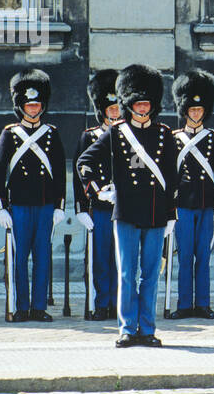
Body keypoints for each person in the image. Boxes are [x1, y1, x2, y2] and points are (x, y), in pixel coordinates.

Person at [76, 64, 178, 348]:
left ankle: (147, 328)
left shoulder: (164, 133)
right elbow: (85, 162)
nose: (142, 107)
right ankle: (127, 329)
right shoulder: (118, 132)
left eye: (146, 103)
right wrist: (99, 190)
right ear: (128, 104)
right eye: (137, 103)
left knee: (150, 274)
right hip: (127, 212)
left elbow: (172, 177)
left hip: (157, 212)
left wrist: (172, 214)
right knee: (126, 273)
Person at [0, 69, 66, 323]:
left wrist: (59, 205)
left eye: (36, 105)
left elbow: (59, 171)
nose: (33, 109)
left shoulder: (51, 133)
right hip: (18, 206)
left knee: (42, 258)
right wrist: (0, 206)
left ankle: (39, 306)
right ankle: (20, 306)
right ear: (21, 107)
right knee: (18, 259)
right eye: (28, 105)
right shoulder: (10, 133)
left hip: (44, 206)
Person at [169, 69, 214, 320]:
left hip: (206, 204)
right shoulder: (174, 139)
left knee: (203, 257)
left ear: (205, 111)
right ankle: (184, 305)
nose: (195, 113)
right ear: (185, 111)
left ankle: (202, 303)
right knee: (184, 257)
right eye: (191, 110)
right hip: (182, 205)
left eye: (199, 110)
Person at [73, 69, 120, 321]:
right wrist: (82, 208)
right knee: (100, 259)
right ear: (103, 111)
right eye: (110, 109)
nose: (114, 112)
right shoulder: (89, 136)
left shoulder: (127, 135)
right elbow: (79, 172)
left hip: (123, 206)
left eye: (117, 108)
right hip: (99, 207)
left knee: (120, 260)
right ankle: (101, 303)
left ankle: (118, 303)